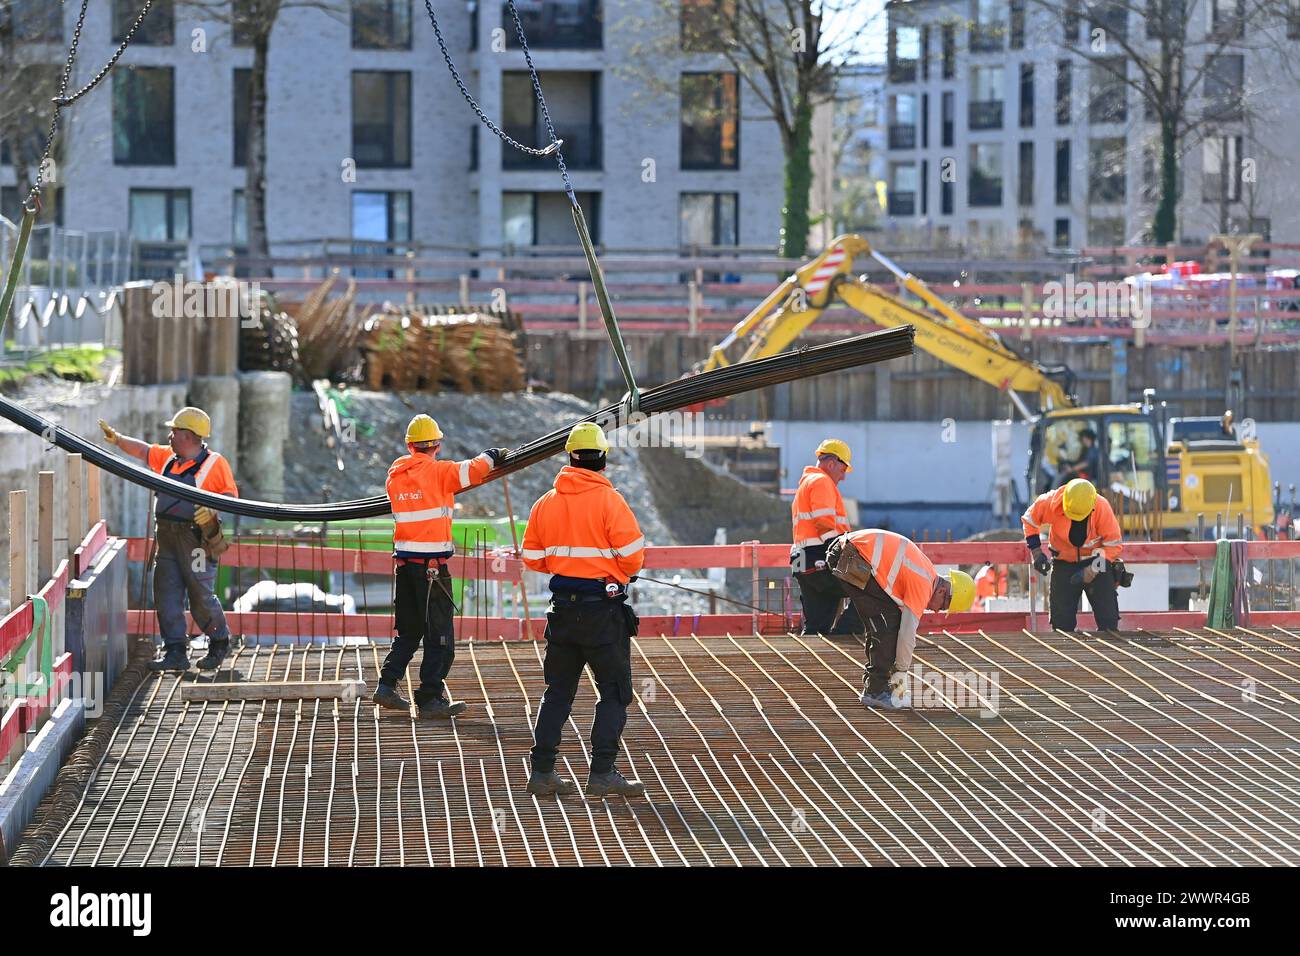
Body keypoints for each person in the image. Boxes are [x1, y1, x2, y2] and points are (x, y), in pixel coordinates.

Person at [520, 422, 646, 799]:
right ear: (603, 459)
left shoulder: (546, 502)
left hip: (561, 612)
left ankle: (542, 772)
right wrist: (614, 571)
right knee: (613, 692)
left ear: (570, 457)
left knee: (557, 692)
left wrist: (567, 566)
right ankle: (602, 773)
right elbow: (633, 558)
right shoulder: (611, 502)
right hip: (602, 616)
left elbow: (533, 557)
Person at [373, 414, 506, 718]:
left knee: (408, 631)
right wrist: (493, 454)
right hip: (432, 569)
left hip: (405, 566)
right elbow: (474, 470)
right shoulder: (440, 472)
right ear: (437, 445)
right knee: (440, 636)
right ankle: (430, 699)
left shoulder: (395, 476)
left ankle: (386, 685)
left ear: (409, 445)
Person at [99, 407, 238, 672]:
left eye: (173, 431)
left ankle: (219, 640)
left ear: (187, 435)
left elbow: (231, 495)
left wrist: (213, 508)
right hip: (166, 537)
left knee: (200, 595)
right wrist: (117, 439)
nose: (169, 436)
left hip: (195, 540)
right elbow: (143, 451)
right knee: (166, 594)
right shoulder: (168, 459)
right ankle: (175, 650)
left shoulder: (214, 463)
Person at [825, 529, 974, 709]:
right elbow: (906, 635)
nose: (936, 612)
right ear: (942, 592)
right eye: (942, 607)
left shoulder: (926, 573)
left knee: (883, 622)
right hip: (851, 556)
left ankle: (877, 685)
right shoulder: (923, 586)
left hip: (848, 553)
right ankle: (875, 691)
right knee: (888, 625)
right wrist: (900, 677)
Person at [1022, 477, 1124, 632]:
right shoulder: (1051, 502)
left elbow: (1113, 545)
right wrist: (1036, 552)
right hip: (1064, 563)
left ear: (1091, 507)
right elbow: (1029, 520)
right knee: (1061, 623)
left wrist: (1093, 569)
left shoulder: (1101, 507)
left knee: (1108, 620)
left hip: (1096, 561)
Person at [790, 439, 862, 634]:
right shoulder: (821, 482)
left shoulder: (806, 485)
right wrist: (841, 553)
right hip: (821, 556)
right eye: (842, 470)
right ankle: (845, 633)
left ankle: (812, 656)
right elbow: (824, 523)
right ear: (832, 463)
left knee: (816, 627)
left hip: (802, 560)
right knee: (871, 586)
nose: (843, 478)